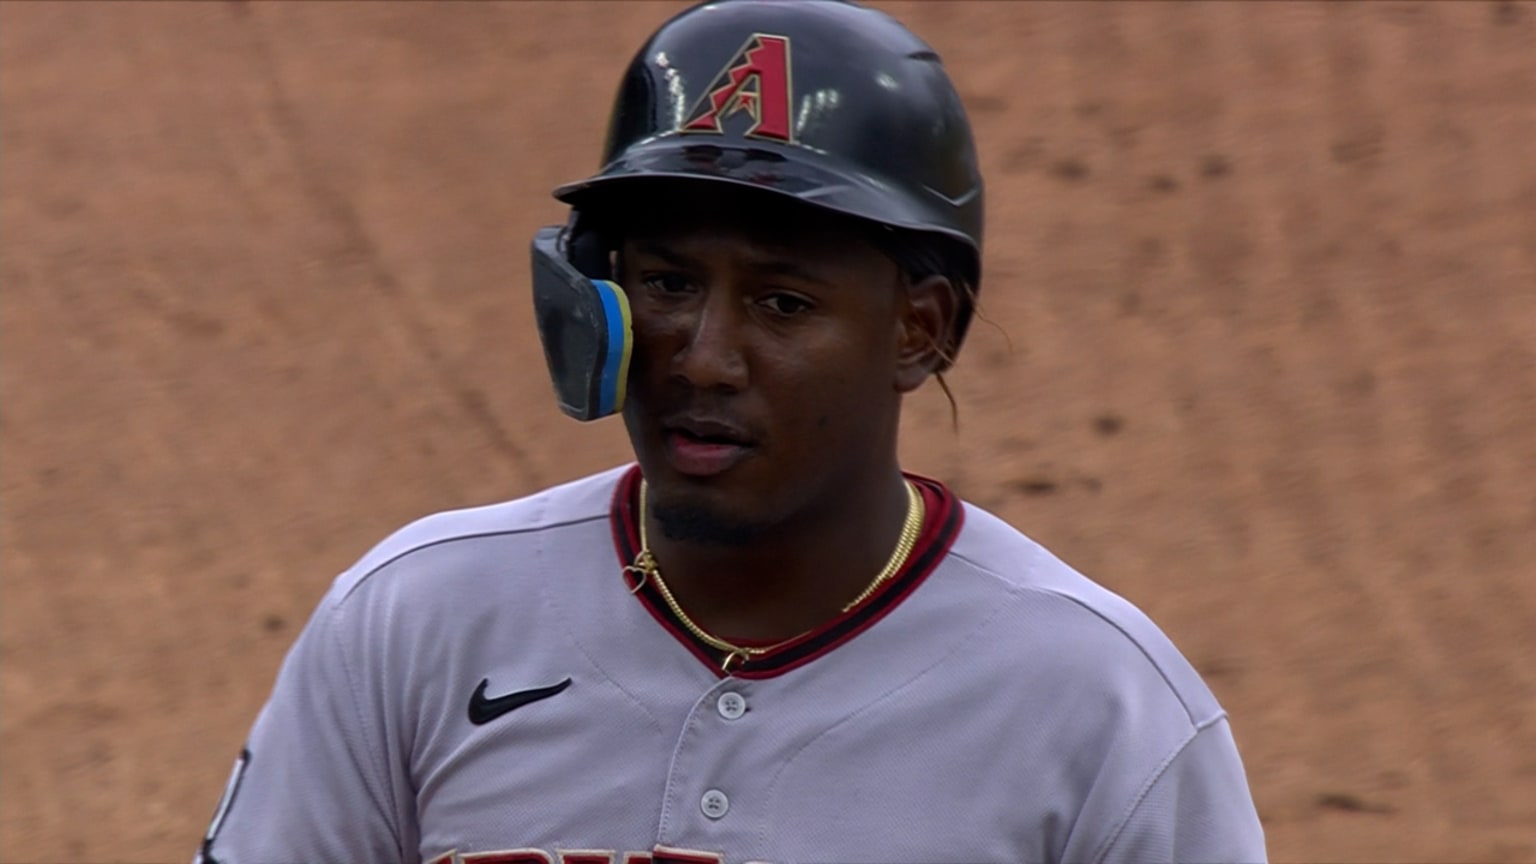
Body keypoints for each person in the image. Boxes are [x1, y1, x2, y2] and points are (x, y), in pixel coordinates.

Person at [196, 1, 1267, 862]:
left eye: (783, 303)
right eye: (665, 284)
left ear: (918, 329)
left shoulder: (1099, 708)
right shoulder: (418, 622)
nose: (703, 356)